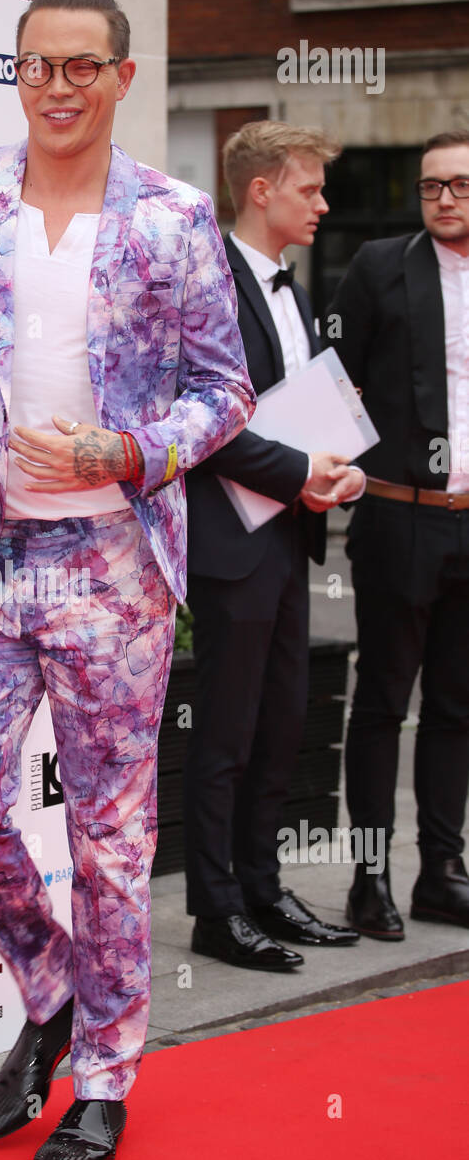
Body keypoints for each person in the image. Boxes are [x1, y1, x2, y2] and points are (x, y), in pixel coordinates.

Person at [0, 0, 255, 1160]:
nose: (60, 86)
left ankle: (104, 1078)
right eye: (39, 65)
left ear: (121, 78)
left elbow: (224, 392)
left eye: (84, 66)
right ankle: (50, 992)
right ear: (16, 74)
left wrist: (127, 452)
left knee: (111, 838)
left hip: (112, 570)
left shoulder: (175, 219)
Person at [183, 121, 364, 971]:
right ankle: (216, 913)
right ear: (263, 191)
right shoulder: (207, 280)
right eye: (310, 189)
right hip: (232, 537)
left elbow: (302, 406)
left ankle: (265, 889)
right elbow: (209, 425)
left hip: (289, 533)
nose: (323, 204)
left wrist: (337, 469)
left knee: (280, 720)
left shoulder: (292, 286)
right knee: (224, 732)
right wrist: (302, 469)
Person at [329, 129, 469, 939]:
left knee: (455, 708)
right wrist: (342, 471)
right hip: (398, 515)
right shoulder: (381, 266)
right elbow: (335, 379)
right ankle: (370, 878)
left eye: (457, 185)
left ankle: (442, 873)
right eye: (430, 187)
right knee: (382, 704)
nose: (444, 198)